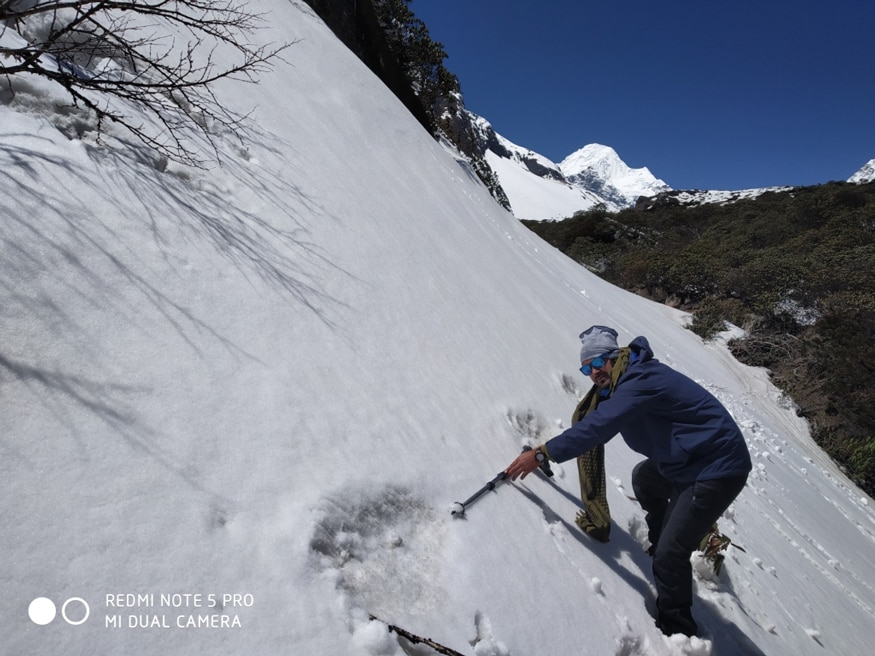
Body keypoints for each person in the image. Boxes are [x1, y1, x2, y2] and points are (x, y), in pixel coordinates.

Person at [505, 325, 752, 637]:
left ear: (614, 357)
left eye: (598, 363)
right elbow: (599, 418)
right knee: (645, 478)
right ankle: (663, 537)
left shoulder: (639, 380)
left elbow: (598, 427)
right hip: (687, 462)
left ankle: (679, 627)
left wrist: (543, 454)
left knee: (669, 555)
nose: (594, 373)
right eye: (586, 368)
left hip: (715, 467)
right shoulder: (624, 382)